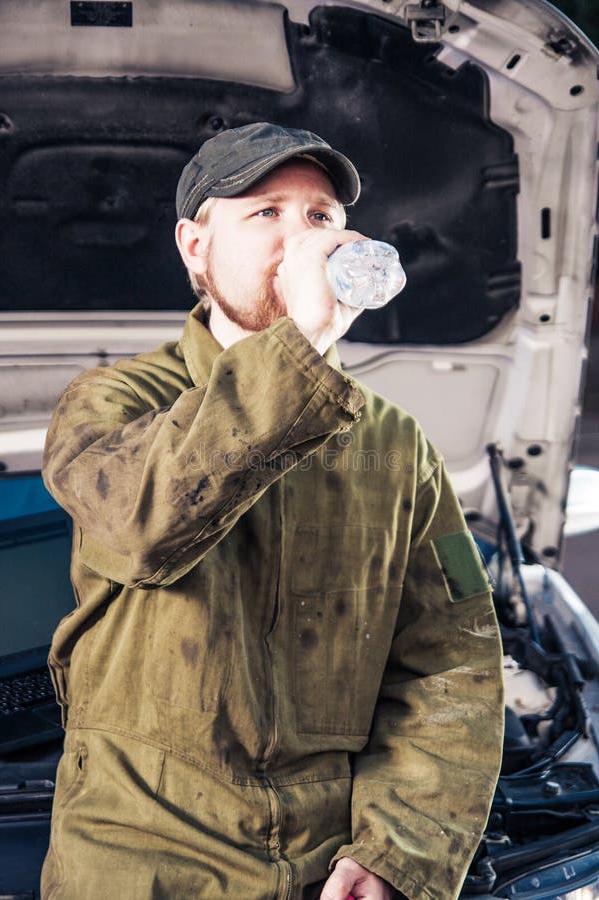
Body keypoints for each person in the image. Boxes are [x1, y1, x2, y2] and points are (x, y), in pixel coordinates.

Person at [41, 122, 504, 900]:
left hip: (328, 867)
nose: (303, 240)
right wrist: (305, 340)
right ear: (195, 246)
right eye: (266, 214)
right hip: (137, 862)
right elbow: (144, 524)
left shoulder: (397, 445)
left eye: (321, 218)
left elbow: (451, 657)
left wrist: (396, 852)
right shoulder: (111, 405)